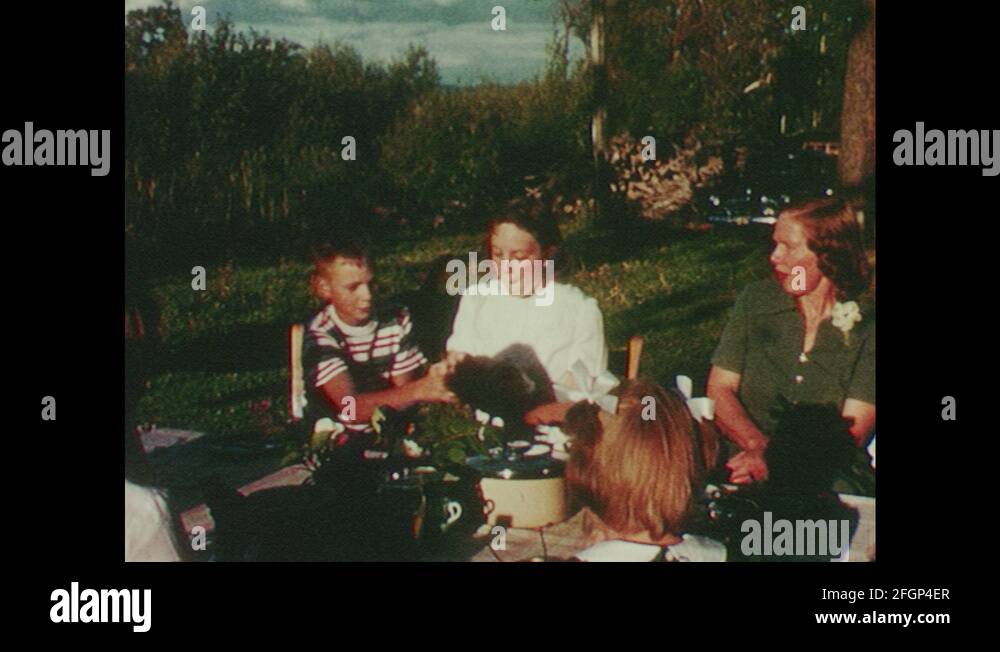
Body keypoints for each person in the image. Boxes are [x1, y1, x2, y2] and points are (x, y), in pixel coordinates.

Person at [707, 197, 875, 489]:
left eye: (789, 246)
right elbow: (720, 389)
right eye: (775, 244)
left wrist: (777, 461)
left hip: (827, 473)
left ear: (827, 254)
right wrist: (758, 447)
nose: (775, 256)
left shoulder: (868, 325)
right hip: (741, 460)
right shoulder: (756, 301)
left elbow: (853, 432)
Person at [445, 198, 607, 425]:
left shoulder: (578, 309)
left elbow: (585, 387)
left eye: (519, 257)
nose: (506, 267)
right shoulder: (477, 298)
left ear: (547, 254)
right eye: (498, 255)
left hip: (554, 430)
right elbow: (459, 362)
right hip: (486, 431)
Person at [302, 238, 455, 438]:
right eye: (352, 287)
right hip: (335, 438)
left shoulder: (395, 319)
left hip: (390, 430)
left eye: (371, 284)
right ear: (324, 287)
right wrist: (420, 390)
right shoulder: (320, 335)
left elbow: (404, 393)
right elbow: (350, 409)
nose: (367, 295)